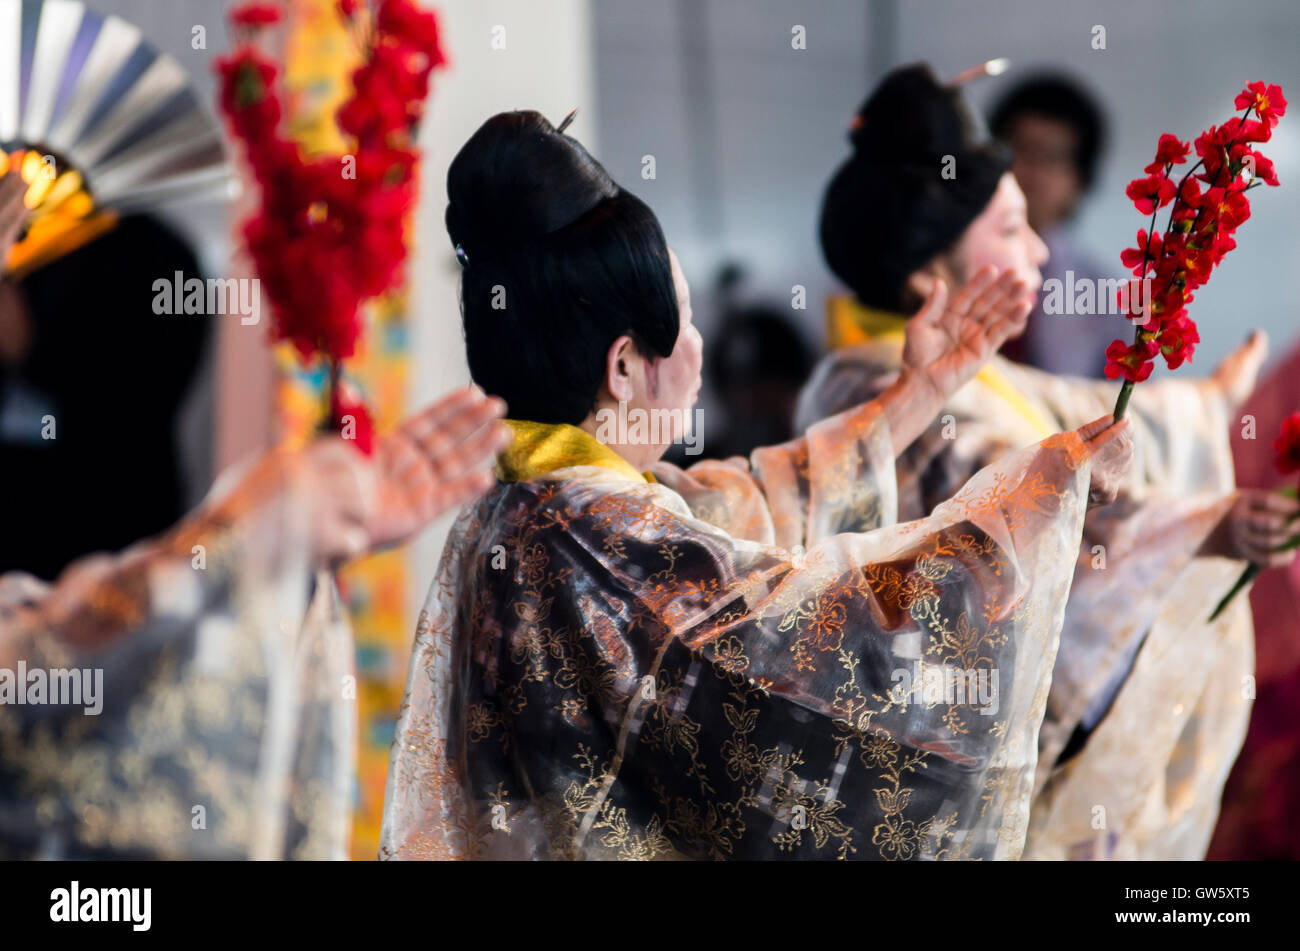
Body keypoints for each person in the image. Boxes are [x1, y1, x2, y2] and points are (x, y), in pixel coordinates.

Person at [379, 110, 1133, 861]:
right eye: (684, 320)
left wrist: (920, 390)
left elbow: (739, 505)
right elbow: (821, 635)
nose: (700, 347)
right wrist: (1042, 500)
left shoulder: (529, 505)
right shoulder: (597, 539)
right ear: (622, 368)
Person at [798, 63, 1298, 859]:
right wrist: (1203, 524)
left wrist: (1203, 406)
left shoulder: (967, 376)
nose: (1036, 248)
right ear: (931, 273)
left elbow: (1068, 408)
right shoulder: (879, 390)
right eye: (1008, 229)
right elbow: (1020, 503)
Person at [0, 168, 211, 580]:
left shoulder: (161, 259)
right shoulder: (27, 243)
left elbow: (139, 407)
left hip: (109, 548)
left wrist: (31, 344)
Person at [988, 75, 1114, 377]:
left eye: (1053, 157)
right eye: (1022, 149)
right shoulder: (944, 263)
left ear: (1081, 180)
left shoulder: (1105, 297)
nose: (1034, 171)